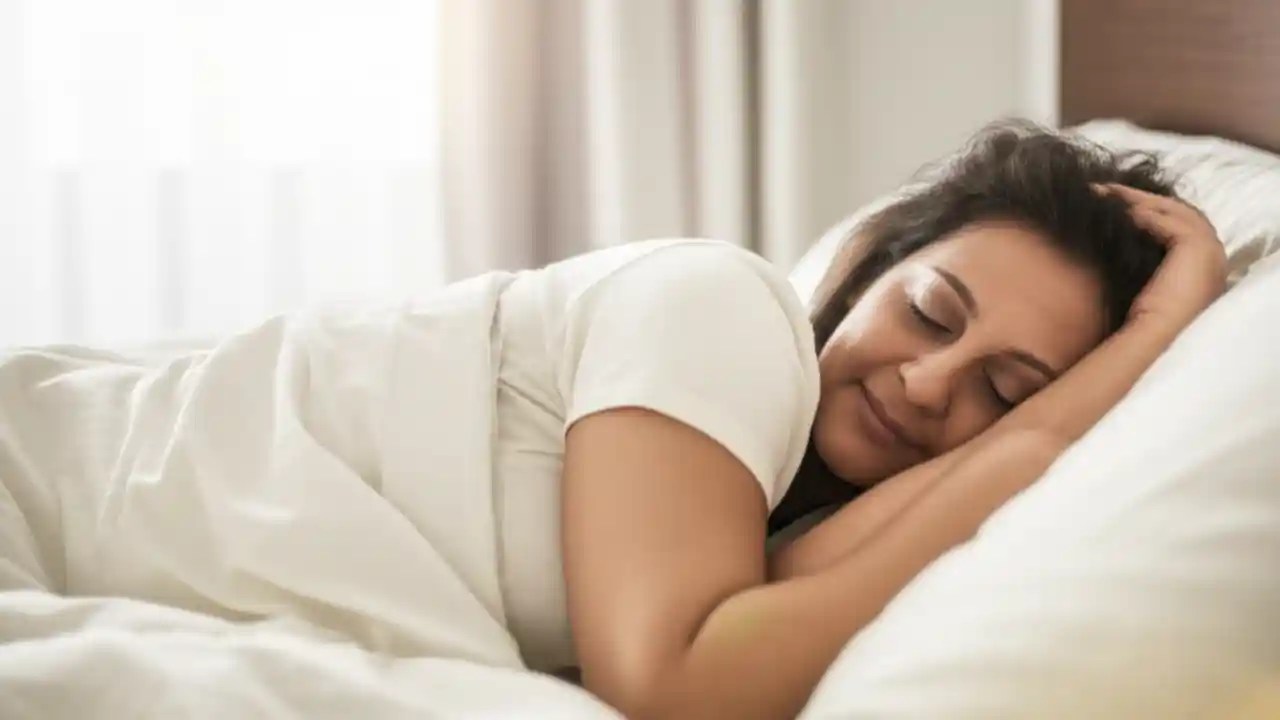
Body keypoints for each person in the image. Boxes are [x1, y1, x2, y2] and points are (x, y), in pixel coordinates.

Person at [0, 121, 1226, 720]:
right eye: (926, 313)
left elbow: (763, 621)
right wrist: (1046, 422)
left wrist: (1119, 373)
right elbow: (675, 684)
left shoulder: (762, 533)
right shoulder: (721, 304)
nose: (923, 387)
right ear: (856, 269)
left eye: (1004, 389)